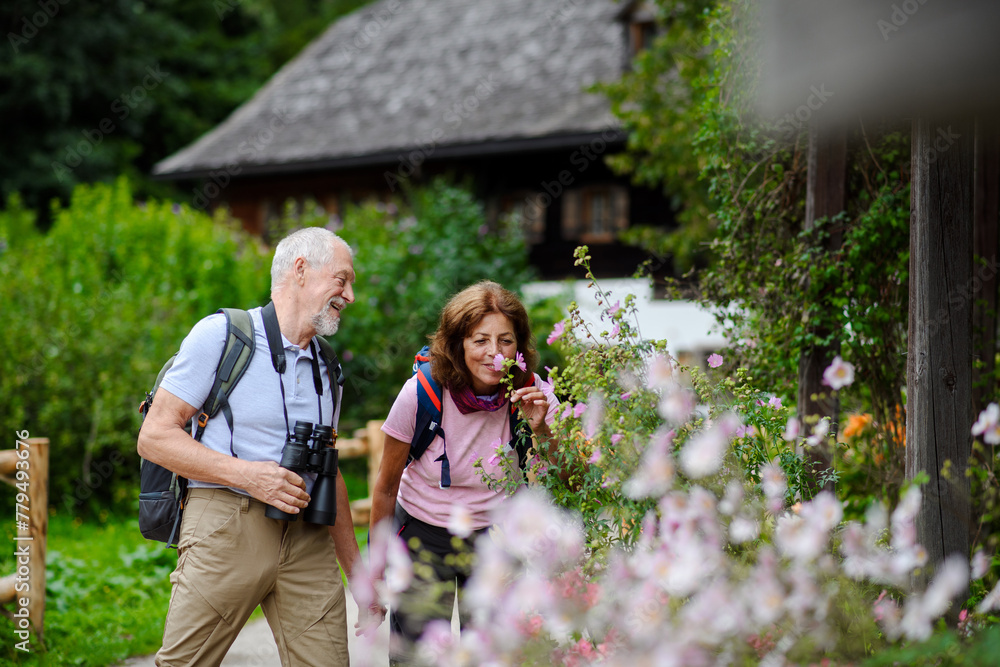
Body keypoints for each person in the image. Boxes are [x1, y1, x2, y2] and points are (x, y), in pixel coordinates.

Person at [138, 227, 380, 667]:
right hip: (226, 524)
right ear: (301, 270)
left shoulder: (328, 367)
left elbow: (331, 471)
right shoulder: (222, 335)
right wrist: (250, 475)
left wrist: (359, 578)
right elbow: (154, 437)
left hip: (308, 535)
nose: (350, 295)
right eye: (342, 280)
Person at [368, 280, 560, 664]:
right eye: (480, 341)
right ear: (457, 345)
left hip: (495, 538)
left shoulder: (533, 393)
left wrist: (542, 429)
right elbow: (386, 489)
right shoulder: (420, 393)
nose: (495, 354)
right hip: (423, 533)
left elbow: (564, 478)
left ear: (519, 346)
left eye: (506, 341)